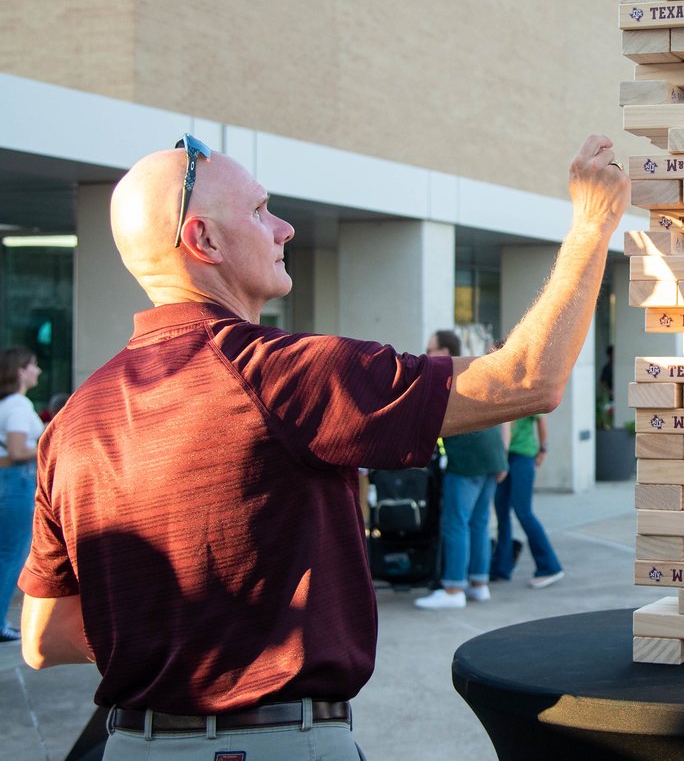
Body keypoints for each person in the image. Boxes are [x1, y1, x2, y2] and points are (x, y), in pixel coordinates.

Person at [18, 133, 628, 757]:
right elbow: (527, 379)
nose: (284, 228)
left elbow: (45, 636)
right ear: (204, 241)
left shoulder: (72, 419)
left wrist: (172, 630)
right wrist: (592, 223)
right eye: (259, 210)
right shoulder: (278, 372)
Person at [414, 331, 509, 611]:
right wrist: (501, 458)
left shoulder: (447, 374)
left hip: (467, 458)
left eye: (431, 349)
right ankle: (479, 584)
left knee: (456, 523)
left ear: (445, 351)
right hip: (492, 455)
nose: (426, 354)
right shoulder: (474, 369)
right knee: (479, 522)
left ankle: (454, 587)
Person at [490, 411, 564, 588]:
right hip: (503, 457)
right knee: (501, 512)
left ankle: (550, 567)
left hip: (522, 456)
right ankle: (501, 568)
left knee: (523, 512)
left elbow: (541, 420)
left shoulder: (525, 388)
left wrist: (543, 449)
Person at [0, 347, 44, 643]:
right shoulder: (17, 405)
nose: (37, 371)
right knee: (10, 556)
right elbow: (16, 453)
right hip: (15, 482)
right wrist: (45, 441)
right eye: (33, 365)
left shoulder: (8, 404)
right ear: (20, 371)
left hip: (11, 481)